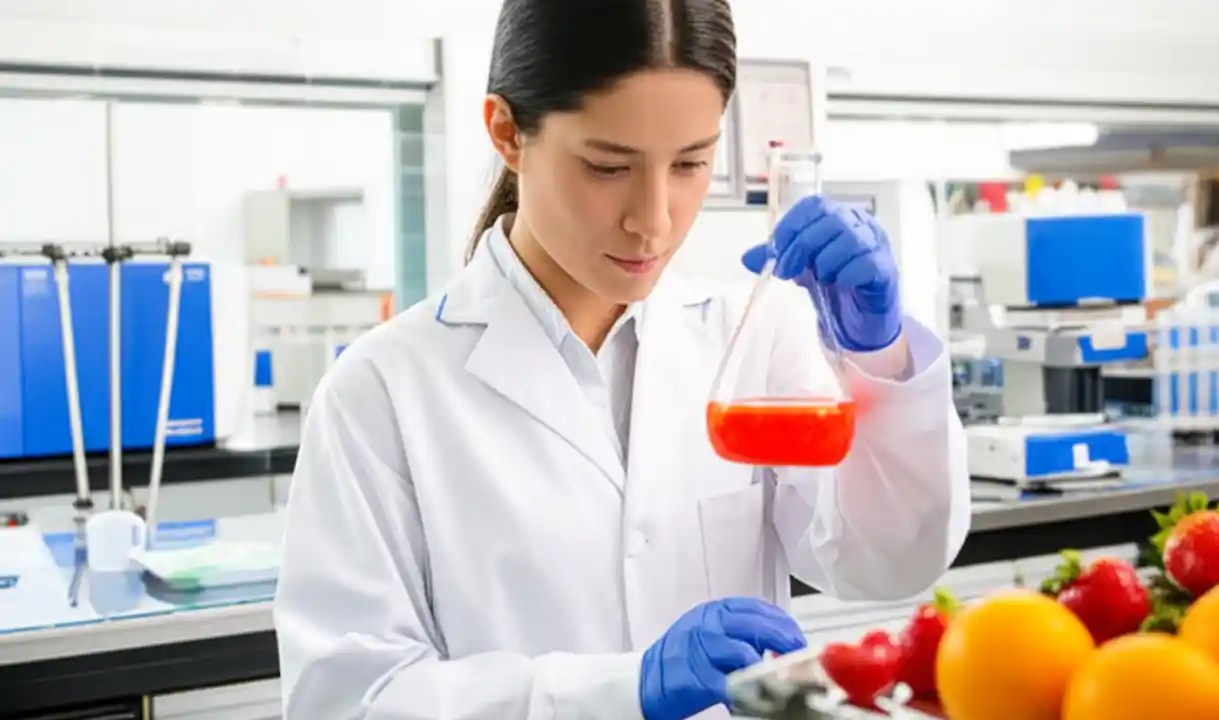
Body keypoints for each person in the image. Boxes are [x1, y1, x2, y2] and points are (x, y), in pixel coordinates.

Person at [274, 0, 971, 717]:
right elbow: (346, 699)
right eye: (609, 167)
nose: (655, 218)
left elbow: (892, 559)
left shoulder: (751, 338)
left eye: (691, 162)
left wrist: (879, 353)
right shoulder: (384, 389)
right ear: (507, 132)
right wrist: (621, 689)